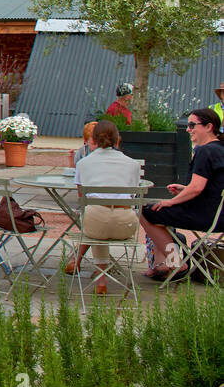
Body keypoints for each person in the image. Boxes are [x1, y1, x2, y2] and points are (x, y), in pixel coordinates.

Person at [139, 106, 224, 282]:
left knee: (145, 211)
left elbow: (197, 188)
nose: (188, 129)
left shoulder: (205, 150)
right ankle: (168, 257)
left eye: (192, 125)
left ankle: (176, 262)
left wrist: (171, 202)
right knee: (158, 212)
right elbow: (213, 187)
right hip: (219, 215)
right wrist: (184, 189)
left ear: (208, 127)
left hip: (205, 215)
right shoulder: (220, 149)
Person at [65, 120, 142, 295]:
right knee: (100, 215)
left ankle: (101, 280)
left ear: (95, 140)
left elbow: (82, 198)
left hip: (95, 224)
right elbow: (133, 194)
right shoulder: (133, 164)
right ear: (117, 140)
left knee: (95, 215)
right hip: (127, 226)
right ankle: (90, 271)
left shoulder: (83, 164)